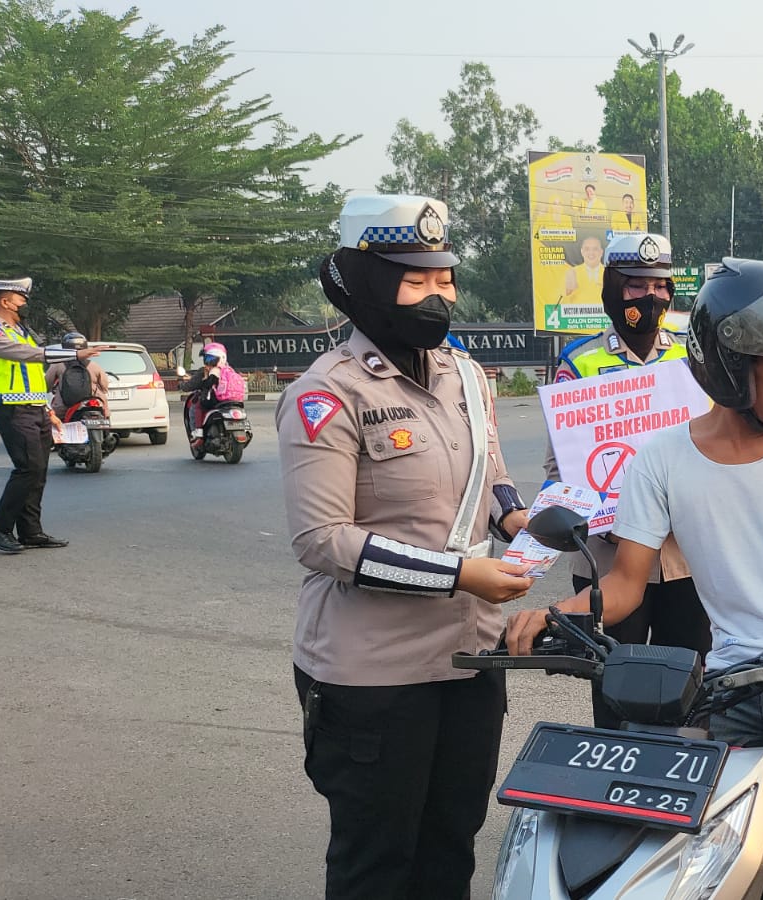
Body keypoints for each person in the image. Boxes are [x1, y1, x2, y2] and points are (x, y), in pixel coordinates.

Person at [508, 259, 763, 900]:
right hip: (727, 688)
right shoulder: (660, 460)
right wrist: (559, 615)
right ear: (732, 364)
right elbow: (626, 584)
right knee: (678, 870)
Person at [275, 194, 535, 900]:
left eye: (444, 277)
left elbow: (495, 476)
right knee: (378, 864)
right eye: (415, 280)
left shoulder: (466, 375)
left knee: (450, 849)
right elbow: (321, 539)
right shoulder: (327, 394)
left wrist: (521, 523)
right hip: (373, 678)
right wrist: (461, 575)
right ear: (365, 282)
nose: (437, 295)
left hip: (468, 662)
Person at [543, 231, 711, 729]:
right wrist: (600, 521)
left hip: (686, 554)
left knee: (691, 681)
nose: (652, 298)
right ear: (614, 288)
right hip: (608, 553)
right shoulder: (579, 363)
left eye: (661, 286)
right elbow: (562, 468)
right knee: (616, 686)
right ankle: (615, 792)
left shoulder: (689, 360)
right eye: (637, 286)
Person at [0, 277, 98, 553]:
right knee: (27, 468)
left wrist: (47, 409)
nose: (25, 304)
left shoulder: (21, 330)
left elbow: (33, 377)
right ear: (6, 301)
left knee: (38, 471)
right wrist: (75, 355)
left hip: (34, 408)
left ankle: (31, 531)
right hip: (11, 409)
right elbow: (29, 356)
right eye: (21, 299)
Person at [181, 341, 245, 442]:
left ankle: (198, 432)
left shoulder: (212, 371)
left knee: (197, 406)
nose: (207, 362)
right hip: (235, 400)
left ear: (219, 359)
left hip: (217, 400)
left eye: (210, 359)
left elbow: (206, 384)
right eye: (207, 359)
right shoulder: (230, 370)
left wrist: (203, 380)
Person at [47, 332, 110, 420]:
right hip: (93, 402)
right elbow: (104, 387)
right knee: (105, 413)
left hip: (64, 406)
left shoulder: (57, 364)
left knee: (54, 420)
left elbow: (47, 383)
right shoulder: (94, 365)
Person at [561, 234, 605, 304]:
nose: (591, 253)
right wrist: (568, 291)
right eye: (587, 249)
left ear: (601, 252)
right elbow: (560, 304)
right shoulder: (572, 273)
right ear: (582, 251)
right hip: (579, 314)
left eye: (595, 249)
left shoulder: (610, 274)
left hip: (604, 314)